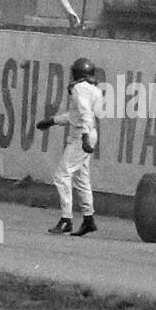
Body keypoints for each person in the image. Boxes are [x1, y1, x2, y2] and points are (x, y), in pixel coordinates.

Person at [36, 56, 100, 236]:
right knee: (81, 178)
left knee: (62, 174)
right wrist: (53, 121)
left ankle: (66, 220)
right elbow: (75, 116)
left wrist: (85, 137)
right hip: (87, 133)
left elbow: (85, 114)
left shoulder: (80, 88)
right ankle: (88, 219)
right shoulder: (94, 90)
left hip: (82, 135)